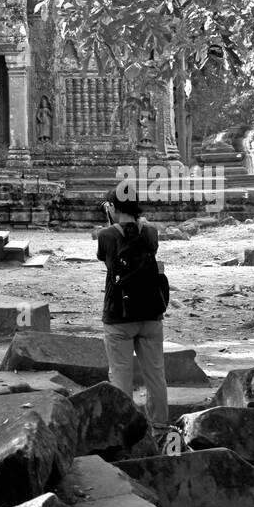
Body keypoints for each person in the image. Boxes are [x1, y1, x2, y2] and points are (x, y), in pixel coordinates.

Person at [97, 187, 170, 447]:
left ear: (112, 207)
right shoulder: (150, 232)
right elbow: (148, 242)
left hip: (119, 317)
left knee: (120, 377)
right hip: (151, 314)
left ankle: (123, 433)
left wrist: (111, 221)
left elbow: (106, 260)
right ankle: (161, 430)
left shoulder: (106, 235)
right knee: (156, 376)